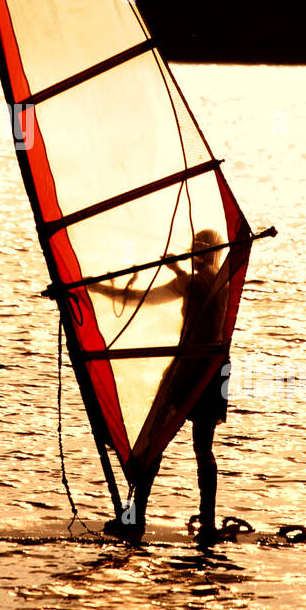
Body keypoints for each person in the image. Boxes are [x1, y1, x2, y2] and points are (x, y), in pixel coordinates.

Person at [92, 228, 229, 542]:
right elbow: (146, 299)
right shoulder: (201, 280)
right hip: (212, 368)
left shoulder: (212, 280)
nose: (194, 253)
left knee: (172, 445)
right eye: (193, 247)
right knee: (175, 445)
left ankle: (143, 519)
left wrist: (179, 268)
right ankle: (145, 519)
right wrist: (100, 290)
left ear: (210, 253)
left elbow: (203, 285)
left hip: (200, 368)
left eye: (200, 249)